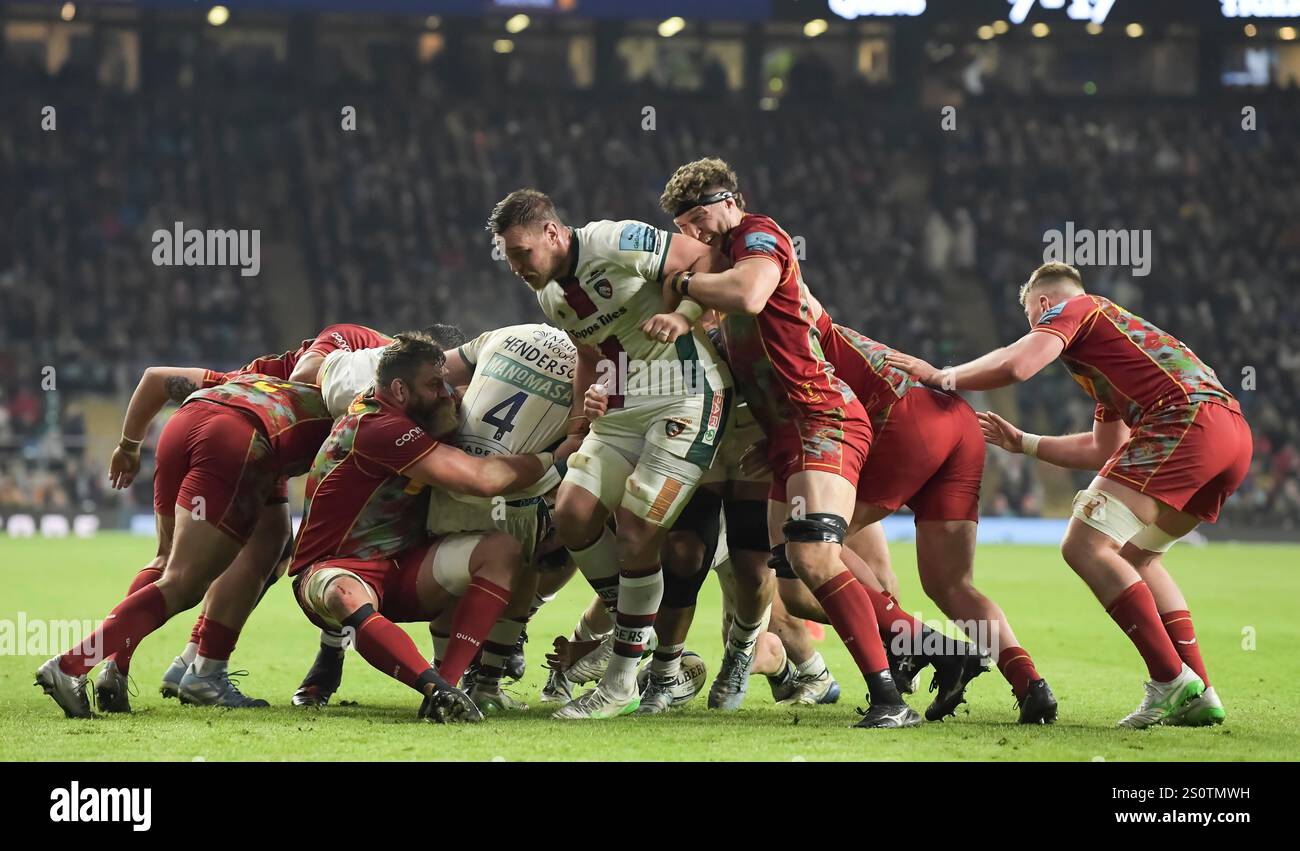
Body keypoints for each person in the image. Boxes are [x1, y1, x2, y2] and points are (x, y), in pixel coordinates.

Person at [887, 262, 1250, 728]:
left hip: (1185, 421)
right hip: (1230, 434)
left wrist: (944, 376)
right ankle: (1200, 690)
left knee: (1083, 543)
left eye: (1032, 319)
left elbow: (1019, 363)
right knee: (1139, 559)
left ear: (1042, 305)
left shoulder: (1078, 307)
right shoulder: (1112, 366)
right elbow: (1106, 449)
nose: (1037, 328)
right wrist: (1025, 443)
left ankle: (1170, 681)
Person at [653, 157, 918, 727]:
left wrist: (678, 283)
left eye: (700, 218)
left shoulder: (759, 234)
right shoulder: (724, 274)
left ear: (731, 201)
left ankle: (891, 696)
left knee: (813, 556)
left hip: (823, 418)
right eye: (685, 228)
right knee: (795, 587)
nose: (695, 234)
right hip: (789, 436)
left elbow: (748, 295)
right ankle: (924, 650)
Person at [488, 188, 734, 720]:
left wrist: (686, 316)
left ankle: (620, 681)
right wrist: (578, 424)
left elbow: (704, 258)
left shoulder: (615, 239)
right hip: (623, 405)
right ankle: (634, 628)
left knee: (638, 527)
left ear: (553, 234)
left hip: (688, 391)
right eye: (508, 257)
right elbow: (588, 355)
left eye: (521, 253)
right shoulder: (550, 295)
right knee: (571, 514)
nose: (515, 267)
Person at [288, 332, 555, 722]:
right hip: (331, 569)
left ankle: (447, 694)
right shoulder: (378, 425)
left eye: (444, 381)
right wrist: (555, 457)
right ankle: (434, 686)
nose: (445, 392)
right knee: (344, 592)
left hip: (403, 572)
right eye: (435, 384)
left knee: (504, 549)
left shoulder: (414, 411)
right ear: (398, 389)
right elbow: (482, 479)